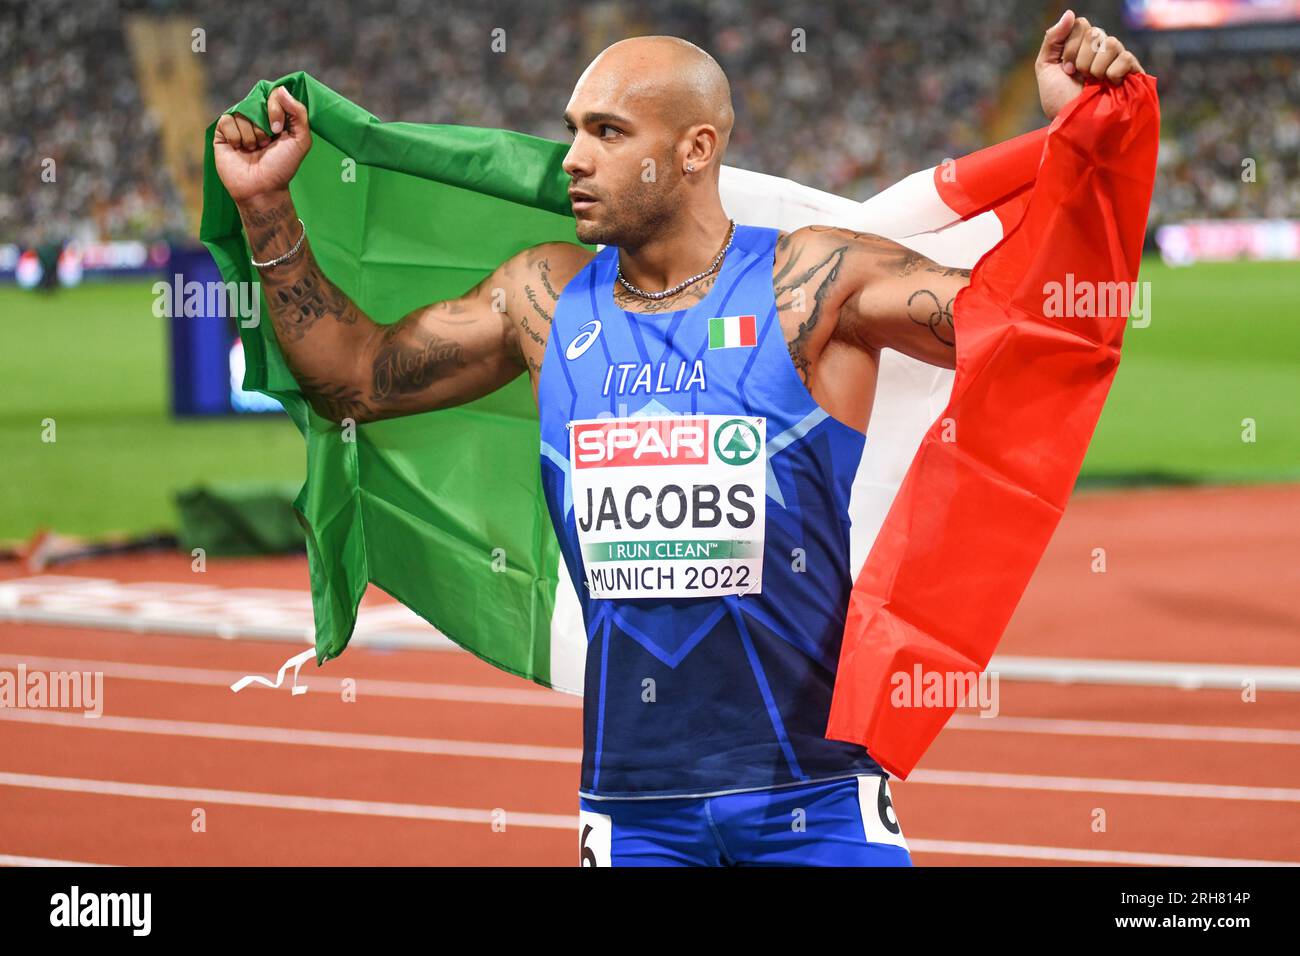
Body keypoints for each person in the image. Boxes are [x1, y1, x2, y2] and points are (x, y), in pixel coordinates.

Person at [213, 11, 1144, 866]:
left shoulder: (812, 283)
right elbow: (353, 378)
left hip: (814, 802)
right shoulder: (540, 300)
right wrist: (265, 207)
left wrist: (1086, 142)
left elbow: (1020, 327)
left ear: (695, 149)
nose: (573, 158)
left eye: (607, 133)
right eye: (574, 128)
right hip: (632, 813)